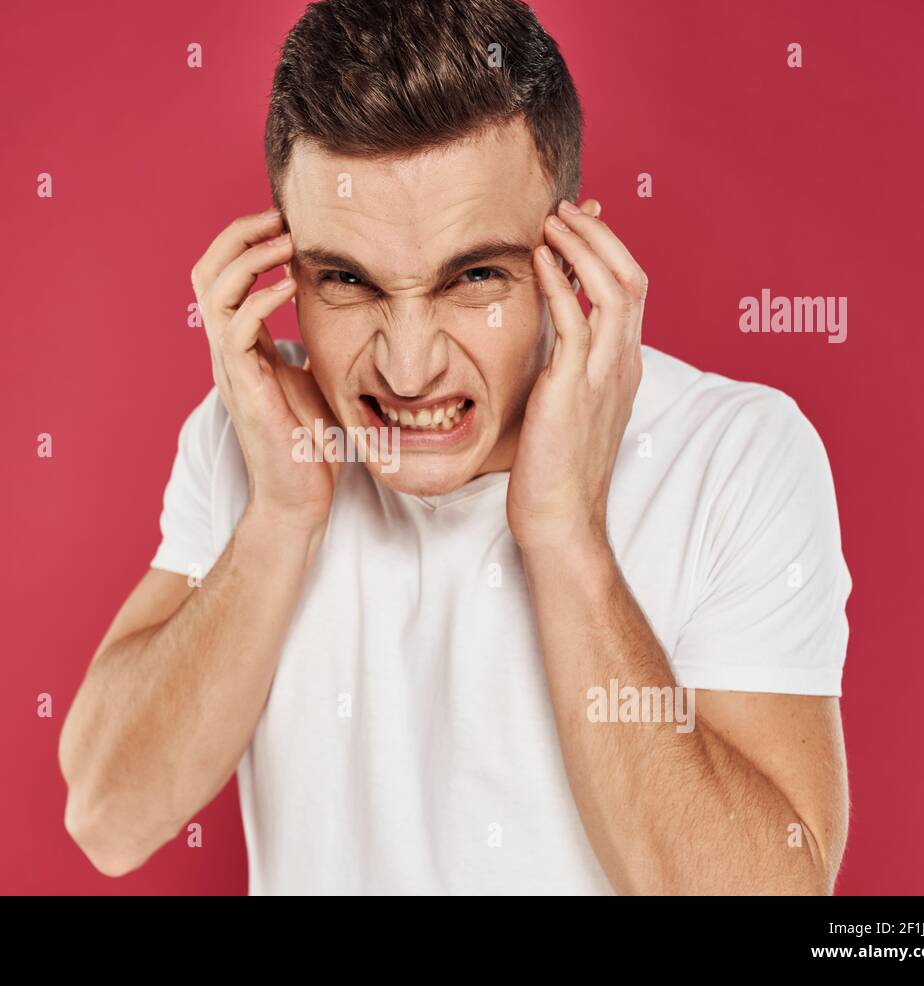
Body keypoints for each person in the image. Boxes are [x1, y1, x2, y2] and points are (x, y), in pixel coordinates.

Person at [59, 0, 852, 894]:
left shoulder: (735, 455)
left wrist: (566, 537)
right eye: (347, 280)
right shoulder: (254, 433)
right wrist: (280, 517)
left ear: (572, 252)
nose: (407, 368)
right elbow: (106, 815)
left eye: (475, 276)